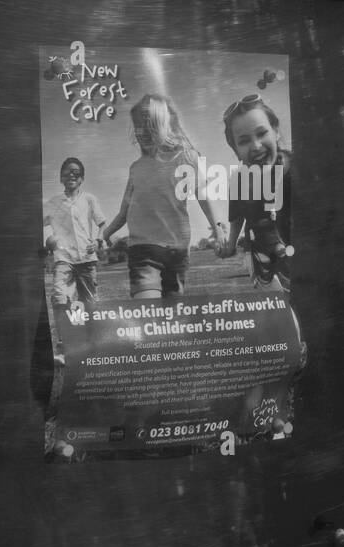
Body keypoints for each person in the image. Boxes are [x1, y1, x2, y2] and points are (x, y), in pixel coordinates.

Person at [103, 93, 224, 299]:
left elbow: (203, 196)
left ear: (163, 124)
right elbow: (124, 210)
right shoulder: (136, 168)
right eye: (137, 126)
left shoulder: (186, 158)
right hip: (143, 249)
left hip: (176, 252)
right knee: (147, 310)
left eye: (148, 125)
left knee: (171, 316)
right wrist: (107, 232)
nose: (141, 132)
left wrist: (218, 228)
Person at [216, 94, 293, 290]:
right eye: (243, 141)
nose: (256, 146)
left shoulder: (296, 167)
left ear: (275, 131)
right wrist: (231, 244)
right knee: (278, 310)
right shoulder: (238, 180)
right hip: (260, 257)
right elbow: (236, 218)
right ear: (235, 149)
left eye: (261, 133)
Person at [43, 156, 105, 362]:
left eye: (76, 173)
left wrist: (98, 240)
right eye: (67, 172)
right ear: (61, 177)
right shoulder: (52, 203)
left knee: (90, 303)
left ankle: (93, 344)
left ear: (82, 179)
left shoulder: (90, 199)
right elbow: (35, 223)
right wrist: (47, 242)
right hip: (63, 259)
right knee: (60, 297)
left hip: (87, 260)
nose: (71, 174)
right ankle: (62, 347)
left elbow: (102, 224)